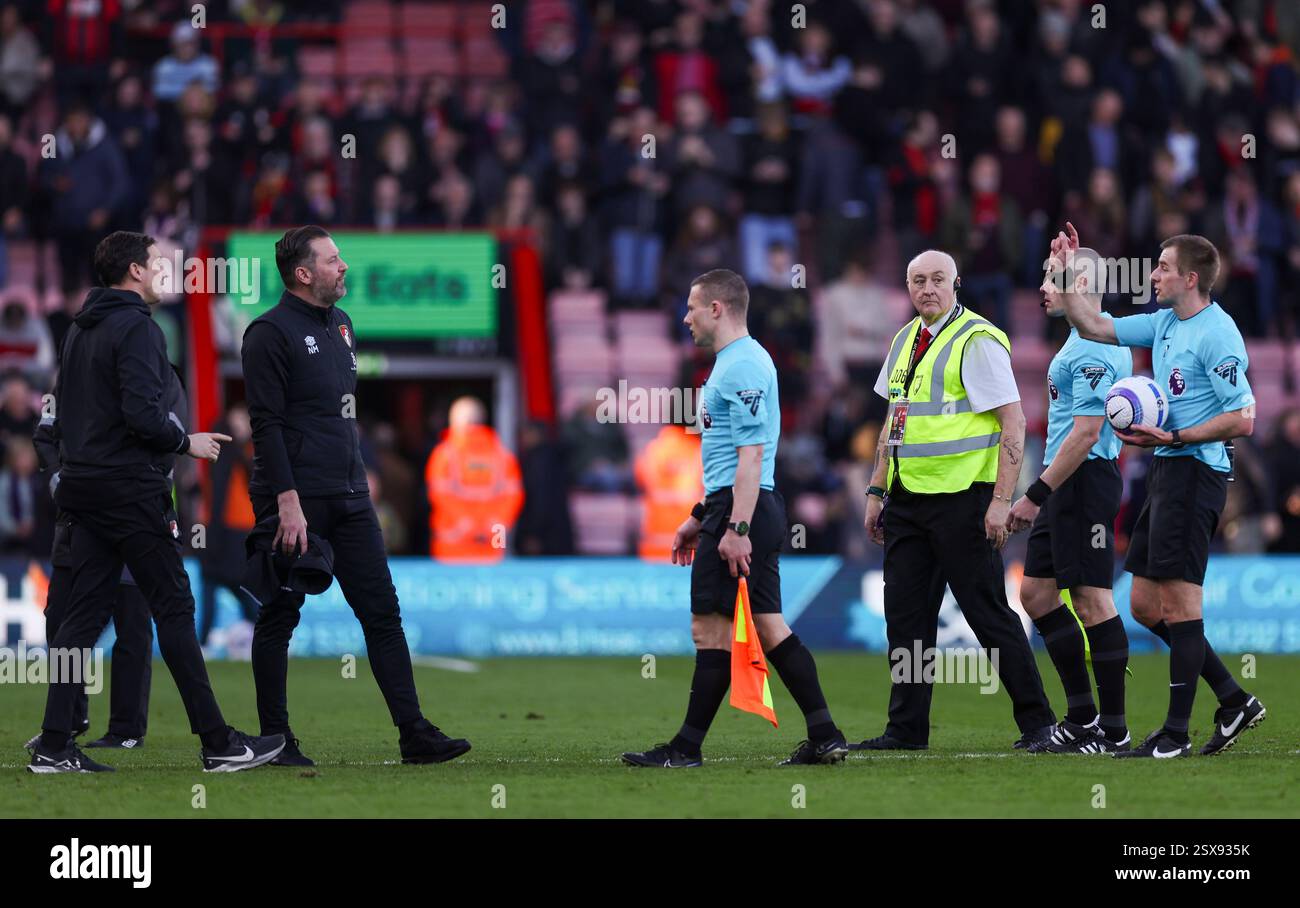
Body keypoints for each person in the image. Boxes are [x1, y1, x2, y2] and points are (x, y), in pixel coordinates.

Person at [29, 231, 283, 773]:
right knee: (174, 608)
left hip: (87, 490)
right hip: (128, 490)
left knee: (82, 618)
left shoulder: (79, 328)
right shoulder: (138, 328)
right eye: (159, 265)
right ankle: (218, 742)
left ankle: (54, 744)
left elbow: (65, 418)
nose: (167, 274)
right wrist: (184, 441)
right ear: (136, 272)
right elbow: (144, 414)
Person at [241, 225, 470, 766]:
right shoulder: (267, 334)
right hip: (296, 499)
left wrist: (359, 472)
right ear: (303, 274)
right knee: (280, 614)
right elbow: (266, 425)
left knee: (383, 614)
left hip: (348, 496)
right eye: (333, 260)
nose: (344, 267)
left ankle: (413, 732)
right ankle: (276, 739)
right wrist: (286, 501)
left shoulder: (342, 326)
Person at [622, 269, 849, 768]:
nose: (685, 318)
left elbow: (750, 457)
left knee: (710, 630)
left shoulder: (740, 366)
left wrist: (734, 528)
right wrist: (699, 515)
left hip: (742, 510)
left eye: (691, 307)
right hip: (742, 505)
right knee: (769, 626)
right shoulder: (740, 362)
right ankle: (825, 733)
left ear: (717, 309)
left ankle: (685, 748)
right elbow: (735, 461)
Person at [1055, 224, 1266, 758]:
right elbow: (1094, 325)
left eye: (1163, 268)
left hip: (1196, 471)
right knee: (1148, 605)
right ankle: (1233, 699)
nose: (1152, 275)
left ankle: (1173, 735)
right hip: (1166, 471)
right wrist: (1065, 270)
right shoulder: (1165, 322)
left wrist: (1174, 435)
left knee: (1180, 600)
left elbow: (1243, 418)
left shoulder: (1218, 333)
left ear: (1191, 278)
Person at [860, 249, 1056, 751]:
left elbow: (1013, 421)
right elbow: (893, 424)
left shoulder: (977, 339)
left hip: (964, 501)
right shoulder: (904, 340)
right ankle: (906, 732)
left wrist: (1000, 500)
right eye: (918, 280)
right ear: (907, 287)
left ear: (956, 284)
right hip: (907, 500)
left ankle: (1038, 725)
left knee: (988, 614)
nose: (928, 288)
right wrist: (877, 489)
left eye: (938, 280)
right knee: (905, 621)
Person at [1005, 245, 1134, 754]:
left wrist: (1034, 495)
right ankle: (1081, 717)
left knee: (1091, 599)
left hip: (1082, 480)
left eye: (1053, 279)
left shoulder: (1095, 348)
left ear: (1081, 287)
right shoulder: (1084, 337)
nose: (1042, 288)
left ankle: (1115, 729)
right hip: (1063, 480)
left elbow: (1084, 434)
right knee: (1036, 595)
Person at [423, 396, 524, 561]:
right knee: (494, 585)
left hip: (453, 542)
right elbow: (513, 498)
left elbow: (439, 496)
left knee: (450, 586)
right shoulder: (503, 456)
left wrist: (467, 525)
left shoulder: (444, 455)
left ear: (455, 421)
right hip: (493, 540)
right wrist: (491, 526)